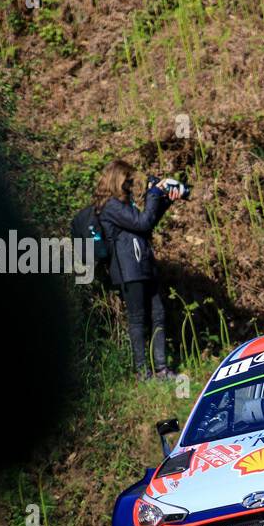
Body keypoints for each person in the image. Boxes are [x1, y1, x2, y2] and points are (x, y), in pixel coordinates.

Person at [93, 159, 181, 380]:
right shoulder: (111, 206)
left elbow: (146, 224)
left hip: (143, 265)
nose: (131, 184)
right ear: (118, 180)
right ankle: (143, 372)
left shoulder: (124, 204)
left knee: (158, 314)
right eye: (128, 180)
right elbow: (142, 223)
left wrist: (164, 201)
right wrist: (152, 193)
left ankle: (161, 369)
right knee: (138, 319)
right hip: (128, 270)